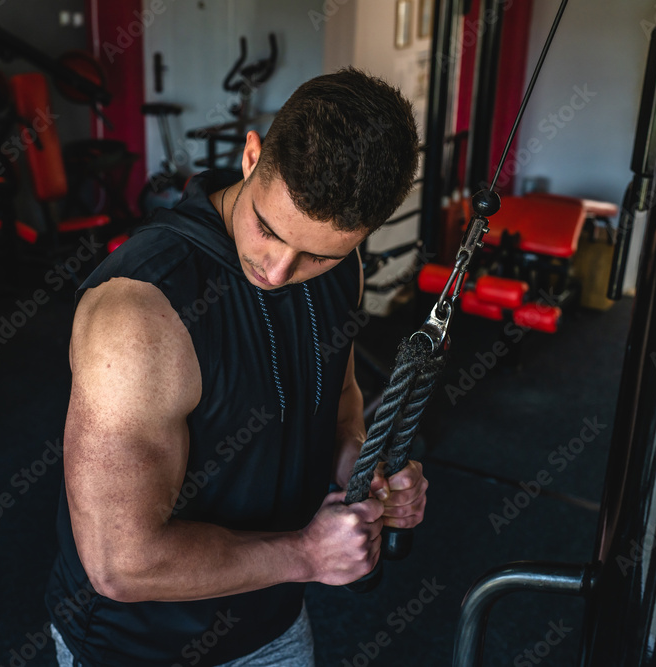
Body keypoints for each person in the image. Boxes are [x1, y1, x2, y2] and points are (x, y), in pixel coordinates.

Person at [44, 67, 427, 666]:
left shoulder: (344, 270)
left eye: (317, 255)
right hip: (141, 647)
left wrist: (360, 460)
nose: (277, 270)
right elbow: (120, 564)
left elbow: (340, 397)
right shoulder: (141, 313)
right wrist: (306, 555)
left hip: (269, 614)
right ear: (252, 156)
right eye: (267, 230)